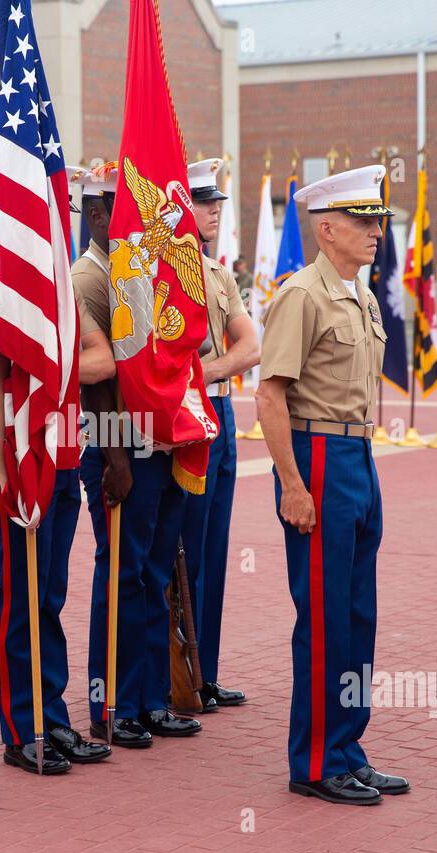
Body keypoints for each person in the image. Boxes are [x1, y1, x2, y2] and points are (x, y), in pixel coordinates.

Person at [254, 165, 409, 805]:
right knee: (323, 618)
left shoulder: (362, 296)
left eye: (377, 221)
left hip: (358, 457)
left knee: (357, 614)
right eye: (362, 222)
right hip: (315, 457)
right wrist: (292, 484)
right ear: (327, 229)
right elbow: (269, 396)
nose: (375, 232)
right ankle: (316, 762)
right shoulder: (302, 295)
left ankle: (348, 748)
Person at [0, 181, 115, 773]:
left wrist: (53, 369)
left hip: (60, 448)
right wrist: (8, 481)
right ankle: (19, 727)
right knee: (20, 591)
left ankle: (52, 717)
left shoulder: (61, 296)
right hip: (14, 455)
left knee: (50, 591)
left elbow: (106, 357)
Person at [71, 162, 201, 747]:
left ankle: (149, 698)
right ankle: (112, 703)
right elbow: (95, 378)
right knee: (120, 571)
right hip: (119, 444)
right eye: (124, 212)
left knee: (151, 571)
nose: (139, 223)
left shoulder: (140, 266)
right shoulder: (87, 278)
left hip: (161, 438)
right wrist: (116, 456)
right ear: (97, 214)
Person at [180, 159, 259, 709]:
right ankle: (172, 671)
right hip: (184, 419)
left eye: (216, 203)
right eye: (204, 201)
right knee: (180, 547)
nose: (214, 211)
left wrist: (203, 372)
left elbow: (250, 347)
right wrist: (202, 376)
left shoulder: (218, 273)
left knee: (212, 548)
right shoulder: (163, 269)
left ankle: (202, 671)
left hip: (220, 411)